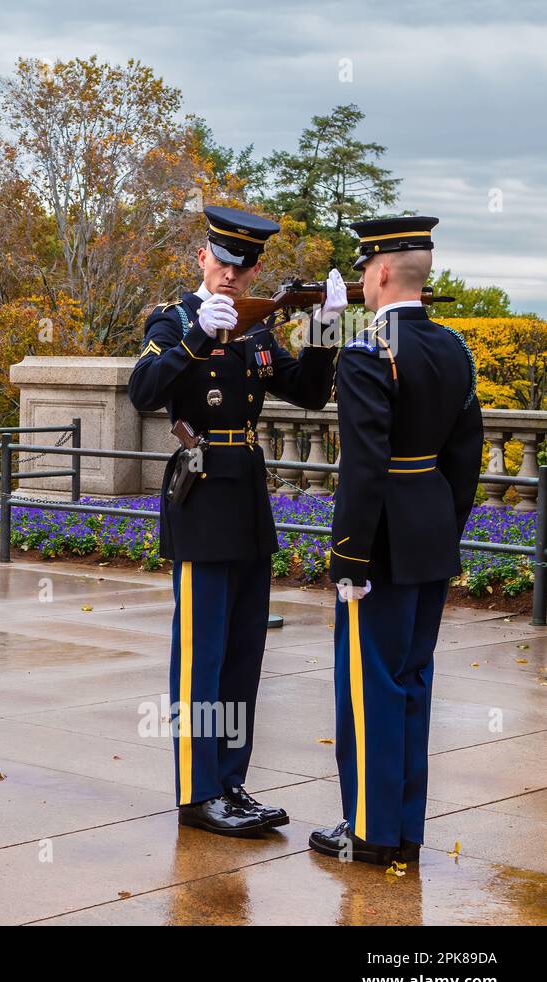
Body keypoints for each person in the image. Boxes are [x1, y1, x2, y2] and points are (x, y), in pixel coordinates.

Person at [129, 206, 345, 836]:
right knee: (203, 653)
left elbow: (306, 391)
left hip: (247, 497)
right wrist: (197, 336)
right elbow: (143, 393)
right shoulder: (171, 322)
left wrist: (325, 329)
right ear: (203, 257)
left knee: (244, 654)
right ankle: (199, 794)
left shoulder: (255, 333)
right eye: (223, 261)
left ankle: (231, 781)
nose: (231, 275)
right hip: (200, 497)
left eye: (244, 266)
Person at [309, 216, 483, 866]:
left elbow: (362, 467)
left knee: (371, 687)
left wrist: (348, 558)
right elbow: (465, 458)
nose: (361, 280)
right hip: (430, 539)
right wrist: (443, 528)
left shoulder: (367, 353)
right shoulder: (455, 350)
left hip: (378, 547)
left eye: (362, 269)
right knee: (412, 681)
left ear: (380, 271)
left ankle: (370, 833)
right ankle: (405, 828)